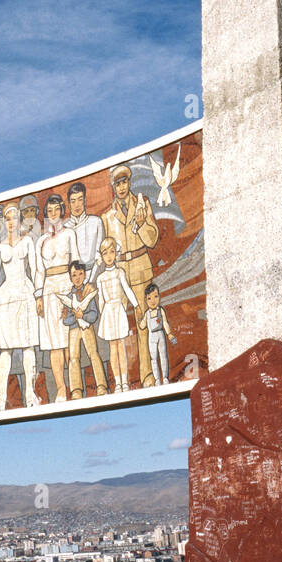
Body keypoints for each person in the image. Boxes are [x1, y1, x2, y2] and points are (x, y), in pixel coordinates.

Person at [0, 205, 42, 410]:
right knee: (5, 348)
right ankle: (2, 396)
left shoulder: (28, 241)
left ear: (20, 220)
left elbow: (35, 268)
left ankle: (30, 392)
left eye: (14, 218)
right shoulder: (0, 247)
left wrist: (38, 294)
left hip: (25, 292)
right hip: (7, 295)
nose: (11, 222)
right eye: (8, 219)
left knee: (28, 345)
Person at [102, 164, 159, 387]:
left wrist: (142, 224)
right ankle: (122, 380)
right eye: (117, 183)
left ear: (130, 182)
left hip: (141, 267)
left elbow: (153, 239)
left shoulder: (142, 205)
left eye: (125, 182)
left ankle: (147, 376)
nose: (122, 187)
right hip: (118, 274)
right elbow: (106, 250)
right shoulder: (107, 217)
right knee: (116, 327)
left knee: (143, 324)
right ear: (113, 187)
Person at [36, 194, 81, 401]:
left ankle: (75, 386)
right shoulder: (41, 241)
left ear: (62, 211)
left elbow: (77, 261)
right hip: (49, 289)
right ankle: (61, 388)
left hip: (66, 284)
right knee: (54, 344)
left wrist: (75, 290)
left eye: (56, 210)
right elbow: (38, 271)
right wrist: (38, 296)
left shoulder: (69, 234)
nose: (53, 214)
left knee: (69, 340)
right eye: (49, 211)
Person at [94, 236, 138, 393]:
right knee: (113, 347)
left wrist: (136, 305)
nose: (109, 256)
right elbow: (100, 300)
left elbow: (127, 289)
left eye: (112, 252)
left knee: (121, 346)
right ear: (101, 255)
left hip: (118, 309)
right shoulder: (100, 278)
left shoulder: (120, 272)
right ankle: (117, 382)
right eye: (105, 253)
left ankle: (125, 380)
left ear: (116, 253)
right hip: (108, 312)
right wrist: (103, 314)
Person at [58, 260, 107, 398]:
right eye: (74, 275)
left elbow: (94, 314)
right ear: (70, 277)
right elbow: (65, 320)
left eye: (80, 274)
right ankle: (76, 390)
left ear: (84, 274)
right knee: (73, 358)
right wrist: (75, 315)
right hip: (74, 329)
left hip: (86, 327)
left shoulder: (88, 292)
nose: (77, 278)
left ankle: (101, 386)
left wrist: (83, 315)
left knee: (93, 354)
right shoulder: (68, 297)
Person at [138, 283, 175, 386]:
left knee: (163, 356)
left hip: (160, 335)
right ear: (146, 300)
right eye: (149, 298)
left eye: (155, 297)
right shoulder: (147, 314)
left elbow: (165, 323)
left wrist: (169, 334)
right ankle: (157, 379)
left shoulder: (161, 311)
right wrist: (139, 319)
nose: (153, 301)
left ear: (159, 296)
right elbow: (142, 326)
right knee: (154, 358)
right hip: (152, 337)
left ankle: (165, 377)